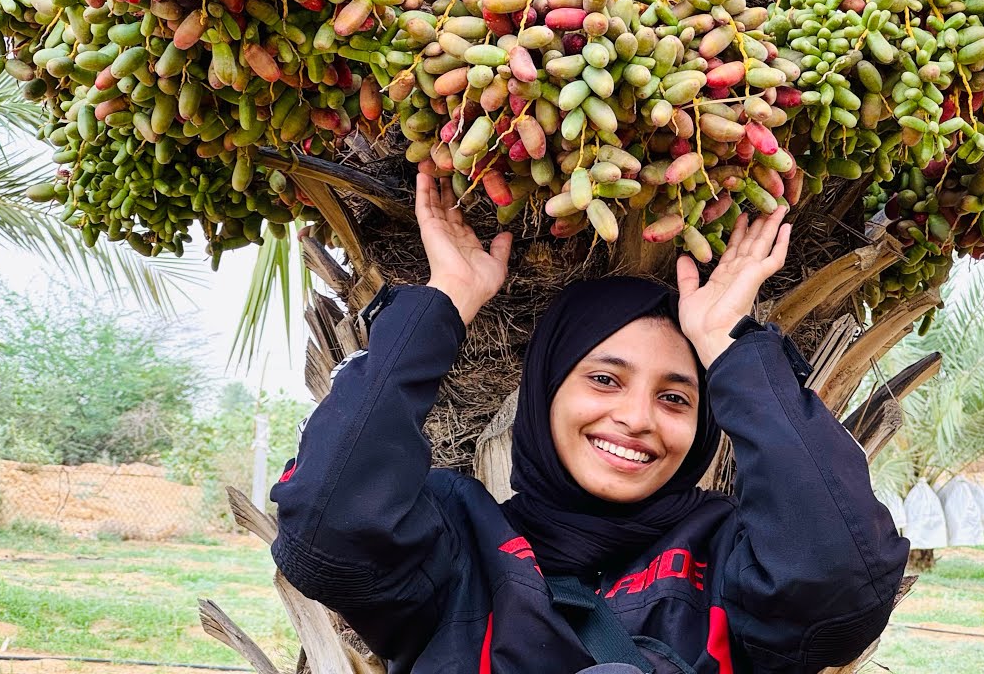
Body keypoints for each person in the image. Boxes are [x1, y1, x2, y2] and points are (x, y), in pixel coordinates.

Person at [270, 167, 910, 674]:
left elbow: (841, 579)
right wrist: (444, 304)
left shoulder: (733, 559)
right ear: (545, 392)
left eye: (676, 397)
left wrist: (728, 344)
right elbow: (328, 527)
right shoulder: (457, 542)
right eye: (604, 379)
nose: (636, 418)